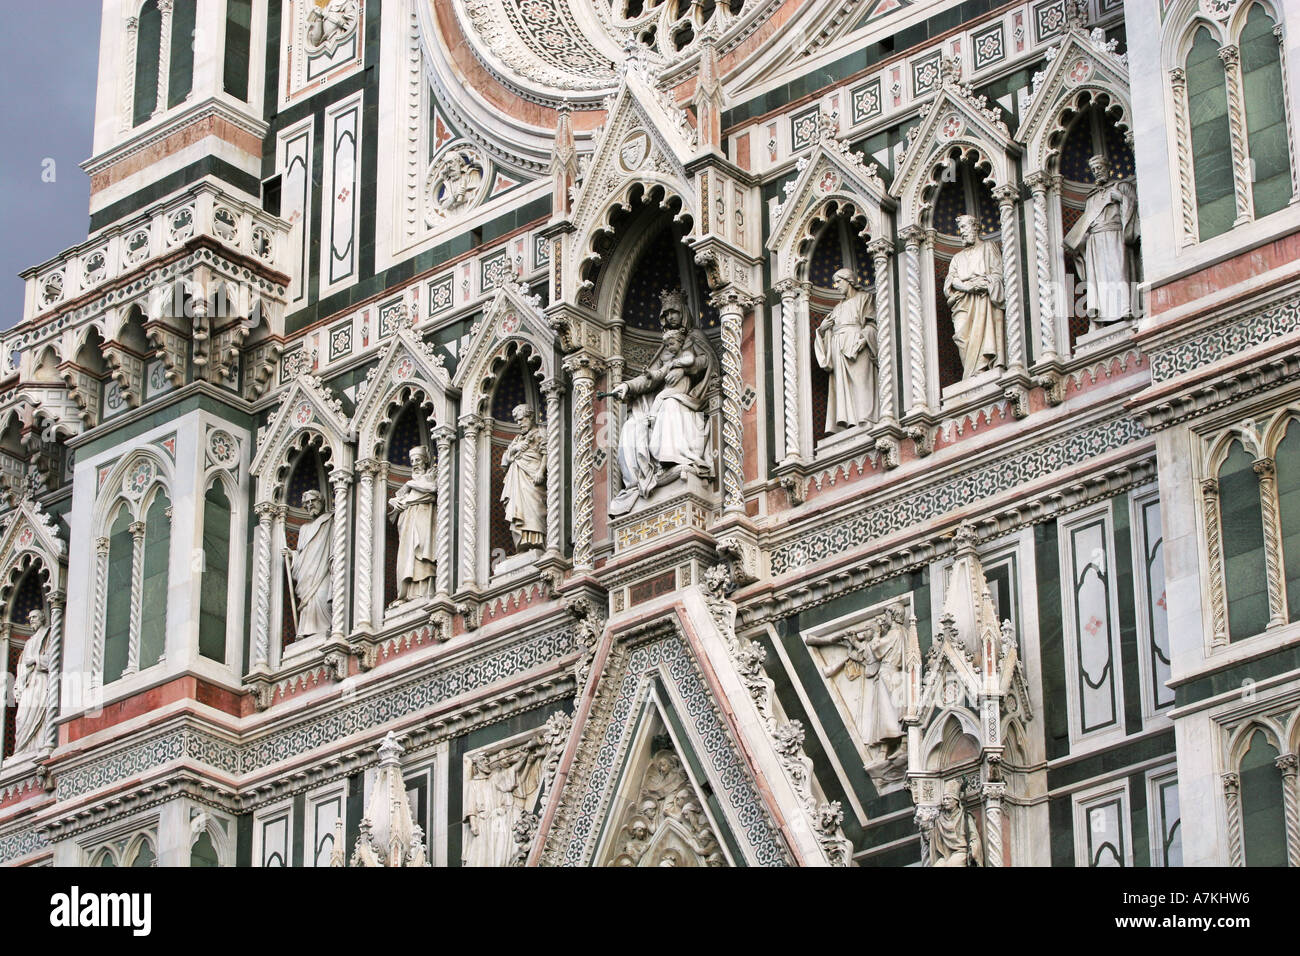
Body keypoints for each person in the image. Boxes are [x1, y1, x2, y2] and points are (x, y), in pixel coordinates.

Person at [608, 291, 718, 515]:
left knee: (668, 405)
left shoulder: (694, 338)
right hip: (670, 395)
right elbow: (652, 377)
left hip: (690, 398)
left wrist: (684, 368)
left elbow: (707, 360)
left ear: (684, 313)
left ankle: (673, 460)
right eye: (665, 314)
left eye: (674, 312)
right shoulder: (667, 347)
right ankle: (638, 482)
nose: (670, 318)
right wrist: (627, 386)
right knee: (631, 425)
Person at [1065, 154, 1139, 326]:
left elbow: (1133, 208)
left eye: (1099, 168)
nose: (1097, 172)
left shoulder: (1122, 187)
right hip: (1095, 242)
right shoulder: (1092, 197)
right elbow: (1087, 223)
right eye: (1093, 170)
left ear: (1107, 167)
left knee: (1119, 271)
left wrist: (1121, 199)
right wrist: (1078, 245)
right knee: (1100, 281)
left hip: (1115, 235)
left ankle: (1126, 308)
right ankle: (1100, 316)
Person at [814, 268, 878, 432]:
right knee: (842, 388)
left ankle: (865, 417)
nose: (836, 286)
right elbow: (826, 332)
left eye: (839, 282)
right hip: (838, 348)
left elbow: (873, 323)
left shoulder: (864, 298)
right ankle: (849, 422)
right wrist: (822, 330)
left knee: (861, 381)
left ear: (849, 281)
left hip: (857, 345)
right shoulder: (837, 308)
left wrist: (863, 340)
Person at [944, 214, 1006, 379]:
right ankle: (970, 372)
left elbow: (997, 274)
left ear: (975, 227)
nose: (961, 232)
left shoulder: (988, 247)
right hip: (964, 300)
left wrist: (985, 284)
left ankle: (981, 369)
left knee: (984, 334)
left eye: (964, 227)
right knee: (961, 336)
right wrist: (968, 287)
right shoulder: (957, 258)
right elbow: (951, 281)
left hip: (984, 298)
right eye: (960, 229)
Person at [390, 446, 438, 604]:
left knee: (424, 555)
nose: (415, 464)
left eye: (418, 460)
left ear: (425, 460)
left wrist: (410, 485)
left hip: (425, 521)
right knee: (409, 559)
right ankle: (409, 594)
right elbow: (400, 502)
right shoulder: (409, 486)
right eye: (412, 461)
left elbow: (432, 489)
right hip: (408, 525)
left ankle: (426, 590)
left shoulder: (431, 476)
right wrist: (394, 501)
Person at [500, 404, 546, 552]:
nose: (519, 423)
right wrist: (515, 448)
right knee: (518, 509)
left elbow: (547, 452)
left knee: (534, 507)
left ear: (531, 417)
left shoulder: (541, 433)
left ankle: (537, 541)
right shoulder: (517, 439)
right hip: (517, 480)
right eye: (517, 421)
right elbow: (505, 460)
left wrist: (540, 470)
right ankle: (523, 542)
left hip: (533, 476)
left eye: (521, 419)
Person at [287, 489, 332, 639]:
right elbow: (301, 554)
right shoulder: (304, 529)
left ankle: (325, 629)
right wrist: (291, 556)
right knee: (309, 602)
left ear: (322, 501)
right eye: (306, 503)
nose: (310, 505)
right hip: (306, 575)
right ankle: (306, 631)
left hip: (323, 571)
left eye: (313, 501)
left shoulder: (331, 520)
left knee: (321, 596)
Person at [11, 609, 50, 757]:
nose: (32, 620)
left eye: (35, 617)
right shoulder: (28, 643)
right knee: (21, 718)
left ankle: (39, 744)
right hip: (28, 684)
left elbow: (53, 659)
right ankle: (21, 749)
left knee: (37, 711)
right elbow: (21, 667)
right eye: (30, 618)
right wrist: (17, 687)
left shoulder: (49, 634)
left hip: (40, 680)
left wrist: (36, 660)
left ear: (42, 618)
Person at [931, 779, 982, 867]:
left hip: (961, 851)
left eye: (948, 799)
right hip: (946, 854)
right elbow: (935, 839)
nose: (945, 801)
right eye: (944, 799)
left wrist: (973, 850)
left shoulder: (965, 816)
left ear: (956, 801)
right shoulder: (939, 819)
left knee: (952, 865)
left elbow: (973, 836)